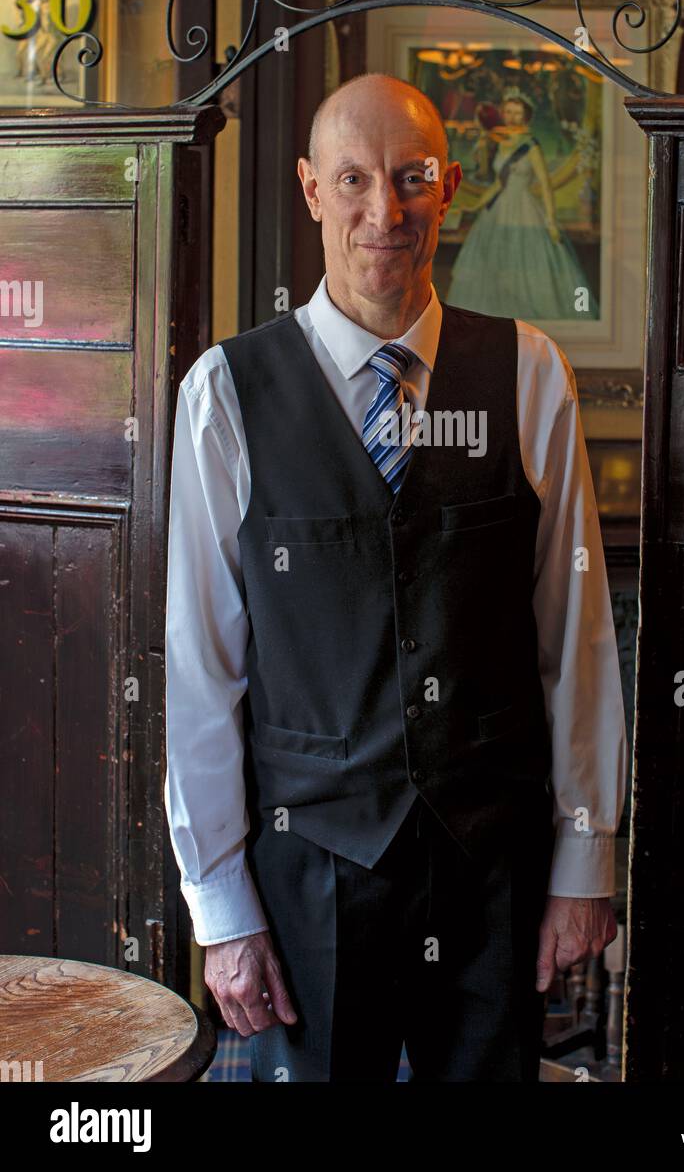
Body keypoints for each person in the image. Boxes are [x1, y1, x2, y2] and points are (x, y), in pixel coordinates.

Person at [164, 72, 626, 1083]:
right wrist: (221, 906)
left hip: (492, 869)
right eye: (355, 179)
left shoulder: (528, 373)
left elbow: (575, 636)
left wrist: (583, 861)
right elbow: (204, 671)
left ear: (449, 185)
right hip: (309, 871)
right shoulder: (225, 393)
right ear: (310, 189)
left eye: (411, 178)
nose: (387, 210)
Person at [446, 89, 600, 320]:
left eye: (517, 113)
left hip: (526, 211)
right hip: (498, 213)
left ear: (526, 116)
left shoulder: (532, 146)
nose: (512, 117)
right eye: (508, 112)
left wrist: (550, 220)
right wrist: (475, 206)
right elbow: (499, 183)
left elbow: (546, 186)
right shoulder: (502, 144)